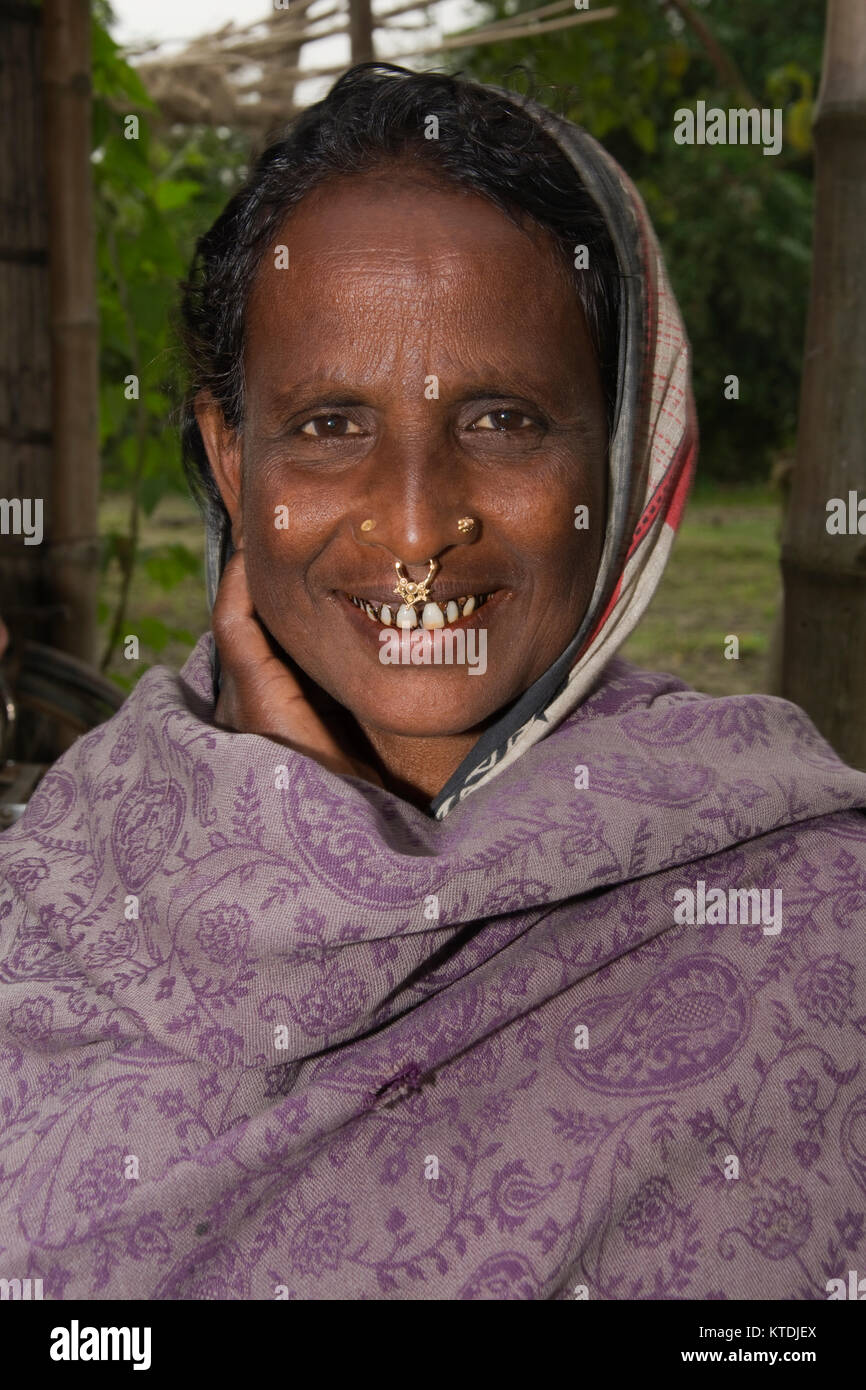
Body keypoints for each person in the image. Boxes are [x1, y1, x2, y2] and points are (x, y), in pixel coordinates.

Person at [1, 63, 865, 1301]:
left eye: (504, 419)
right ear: (230, 459)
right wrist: (277, 836)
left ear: (624, 452)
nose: (414, 528)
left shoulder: (805, 914)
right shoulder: (68, 881)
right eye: (331, 424)